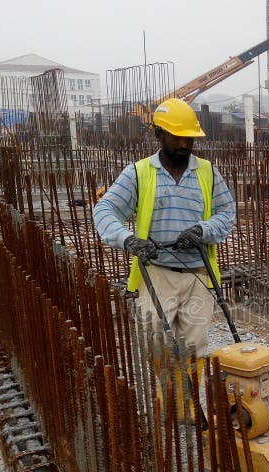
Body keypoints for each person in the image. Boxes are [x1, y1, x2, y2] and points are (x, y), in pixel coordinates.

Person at [93, 98, 236, 367]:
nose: (184, 144)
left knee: (195, 350)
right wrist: (129, 240)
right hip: (157, 274)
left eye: (189, 139)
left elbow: (227, 213)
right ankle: (167, 404)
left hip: (199, 275)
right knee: (156, 346)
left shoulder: (208, 173)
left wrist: (202, 230)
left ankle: (190, 408)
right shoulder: (138, 173)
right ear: (159, 134)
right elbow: (105, 210)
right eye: (177, 137)